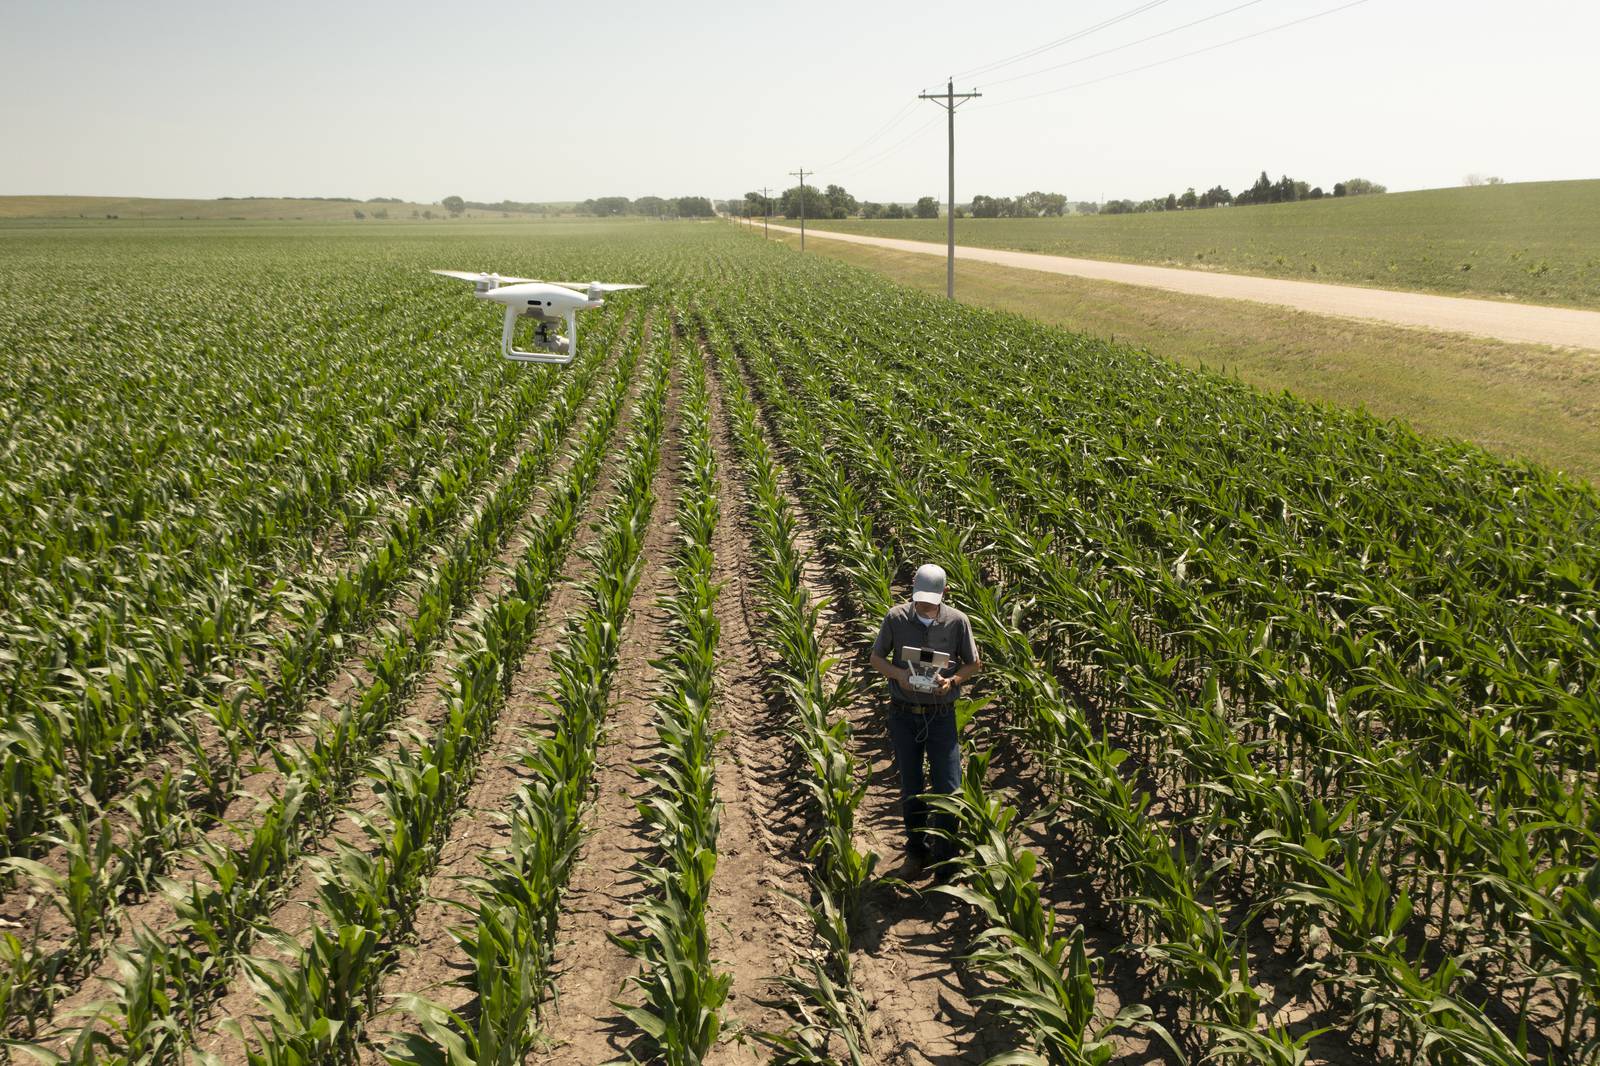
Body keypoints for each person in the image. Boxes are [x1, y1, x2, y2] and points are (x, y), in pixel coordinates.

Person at [869, 563, 981, 882]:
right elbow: (876, 658)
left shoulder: (957, 622)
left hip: (941, 717)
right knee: (912, 788)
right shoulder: (896, 618)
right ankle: (916, 852)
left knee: (948, 789)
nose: (926, 606)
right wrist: (900, 674)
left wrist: (954, 680)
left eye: (932, 600)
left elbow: (974, 663)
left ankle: (946, 861)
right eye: (921, 599)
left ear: (944, 594)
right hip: (904, 715)